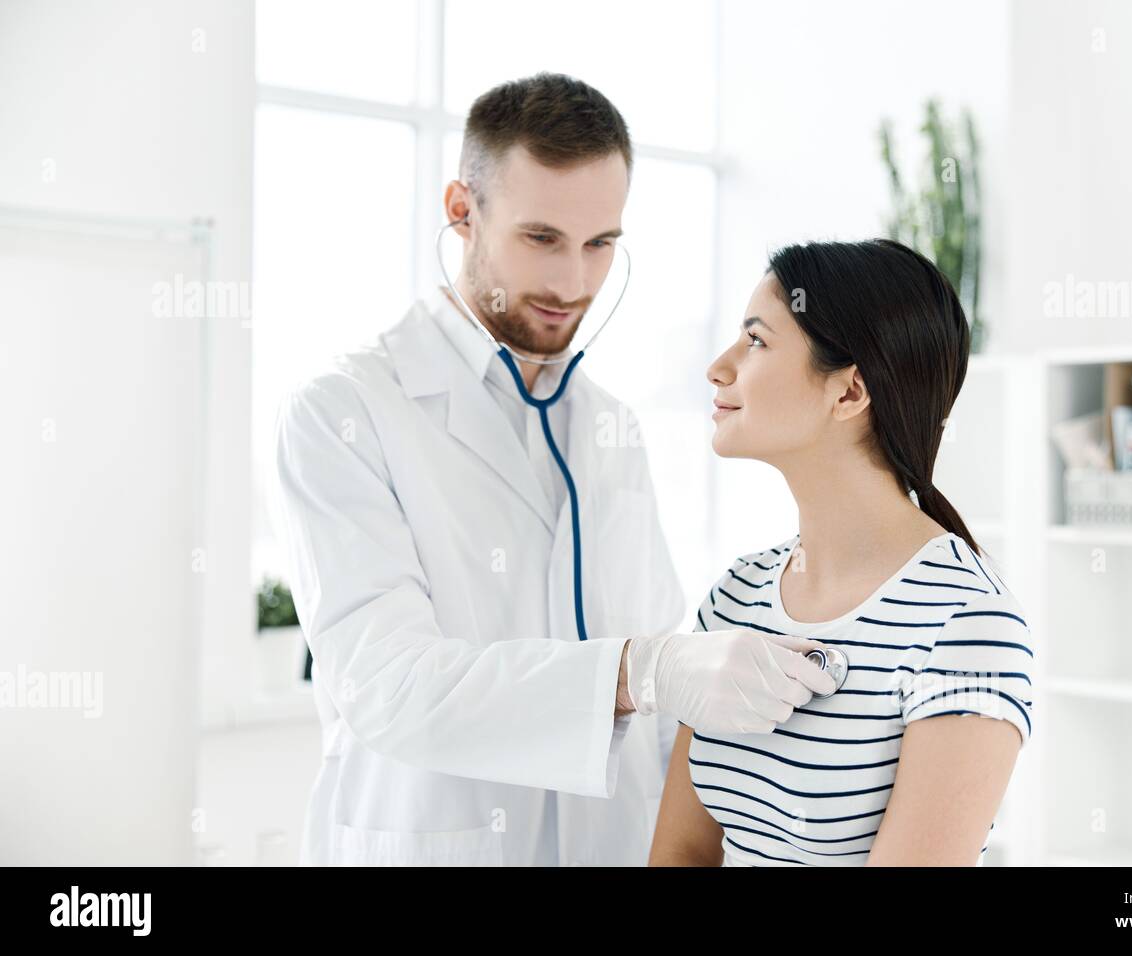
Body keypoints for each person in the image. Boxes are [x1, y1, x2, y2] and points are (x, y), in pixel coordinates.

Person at [269, 73, 832, 866]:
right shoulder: (345, 414)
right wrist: (644, 669)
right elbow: (388, 687)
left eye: (601, 244)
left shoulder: (610, 426)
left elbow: (660, 679)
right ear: (462, 211)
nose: (575, 285)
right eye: (542, 239)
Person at [648, 239, 1035, 866]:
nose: (719, 367)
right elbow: (680, 854)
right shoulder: (735, 597)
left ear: (850, 393)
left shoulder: (966, 625)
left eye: (756, 341)